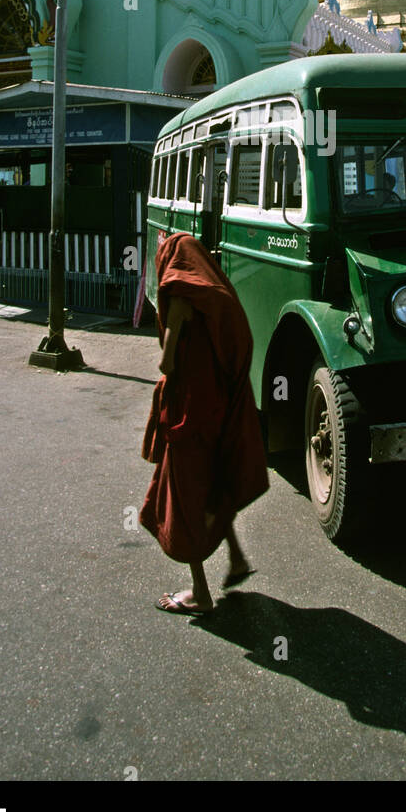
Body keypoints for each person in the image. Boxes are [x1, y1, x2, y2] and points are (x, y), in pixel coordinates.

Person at [140, 232, 269, 614]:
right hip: (215, 400)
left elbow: (167, 363)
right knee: (212, 483)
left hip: (188, 408)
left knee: (184, 494)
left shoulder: (179, 297)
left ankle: (200, 592)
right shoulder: (213, 295)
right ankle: (237, 559)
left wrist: (168, 349)